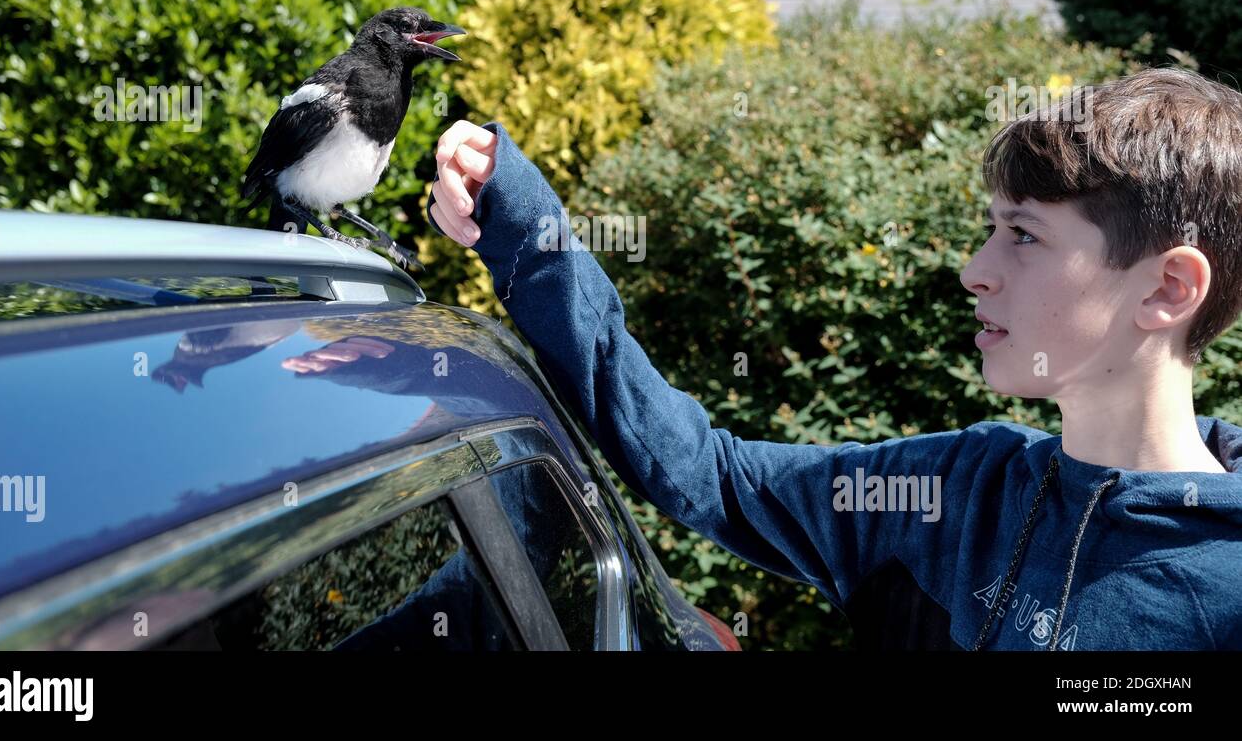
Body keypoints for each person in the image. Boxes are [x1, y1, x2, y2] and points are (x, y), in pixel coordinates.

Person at [425, 66, 1242, 650]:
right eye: (993, 228)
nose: (974, 269)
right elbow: (707, 472)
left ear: (1168, 287)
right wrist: (527, 228)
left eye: (1023, 234)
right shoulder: (954, 493)